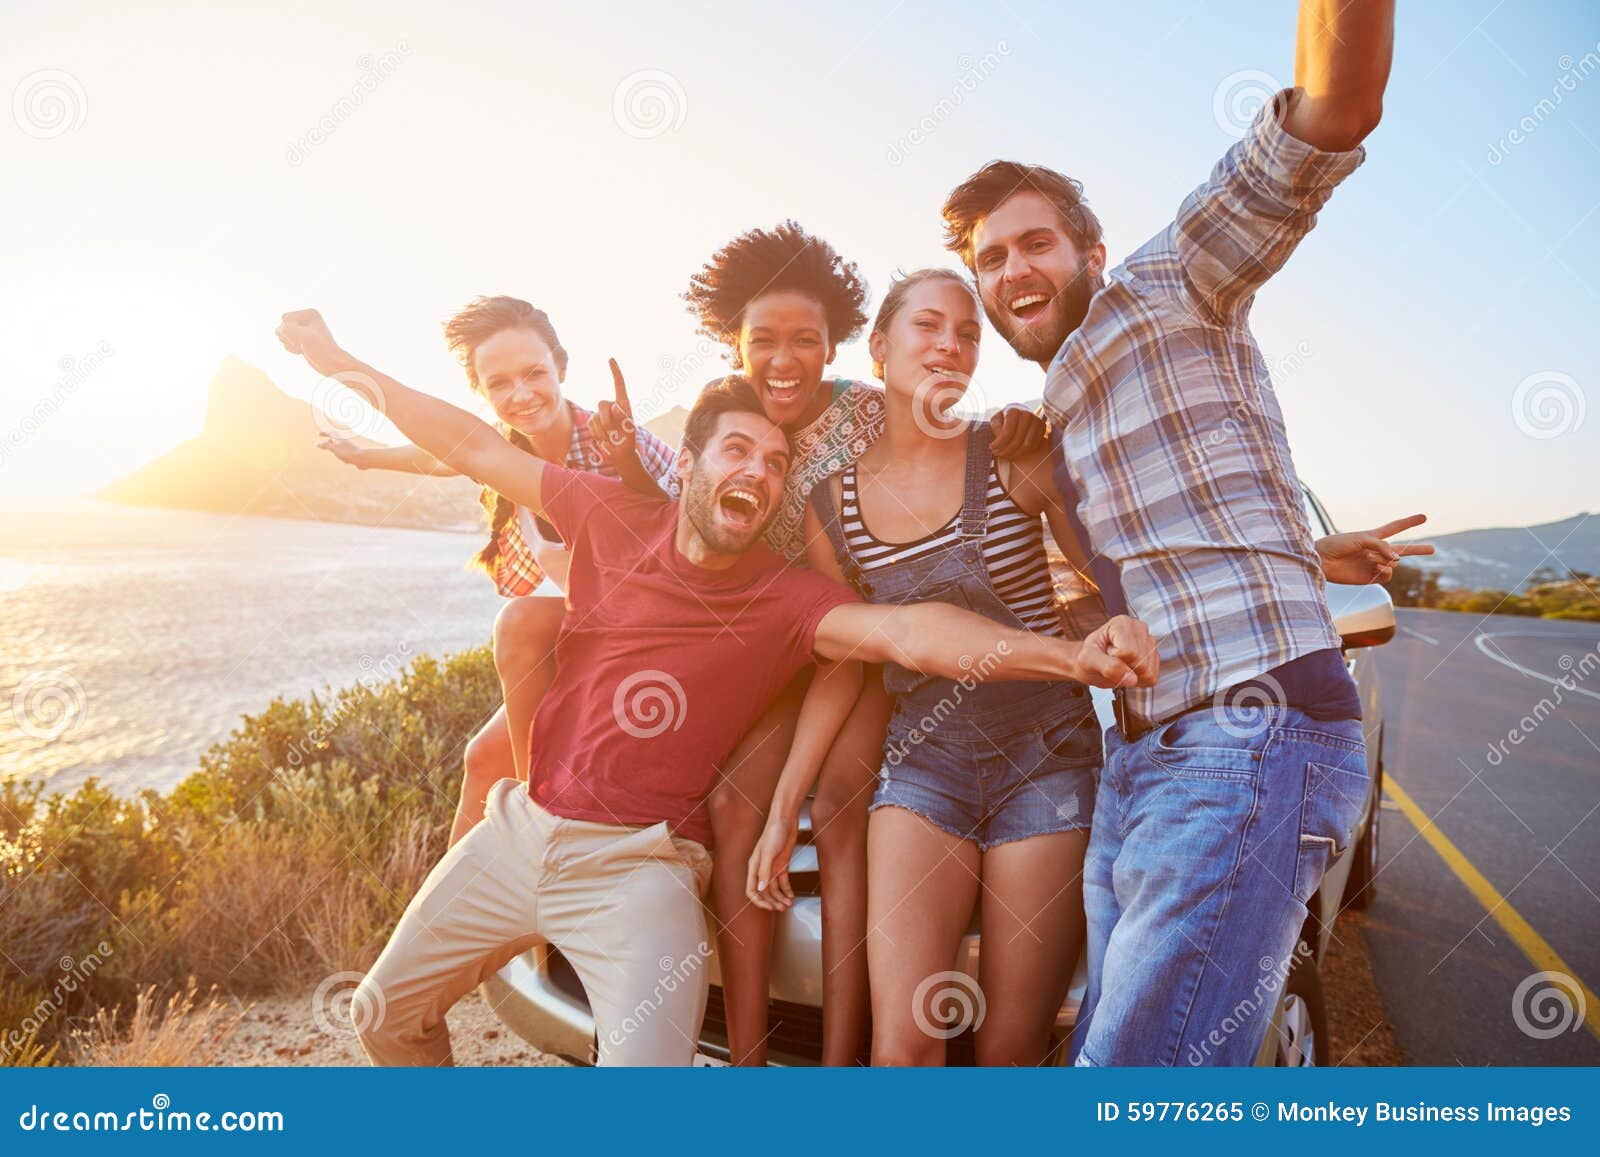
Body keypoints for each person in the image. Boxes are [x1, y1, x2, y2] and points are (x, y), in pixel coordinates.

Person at [276, 306, 1159, 1065]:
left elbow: (910, 631)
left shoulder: (785, 599)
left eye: (776, 466)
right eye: (739, 450)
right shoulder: (606, 512)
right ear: (689, 462)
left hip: (640, 868)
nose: (760, 474)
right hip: (521, 829)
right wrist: (339, 363)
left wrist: (1070, 658)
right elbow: (468, 442)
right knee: (381, 1013)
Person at [939, 0, 1423, 1065]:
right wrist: (1041, 490)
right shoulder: (1048, 421)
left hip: (1247, 737)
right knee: (1127, 1065)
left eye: (1034, 242)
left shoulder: (1168, 288)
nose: (1013, 269)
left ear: (1090, 249)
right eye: (989, 258)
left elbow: (1333, 111)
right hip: (1140, 762)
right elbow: (1119, 597)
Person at [747, 268, 1119, 1066]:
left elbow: (1114, 575)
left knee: (1008, 1046)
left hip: (1049, 757)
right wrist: (783, 809)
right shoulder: (830, 505)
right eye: (927, 325)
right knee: (905, 1045)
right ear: (879, 347)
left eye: (968, 331)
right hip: (926, 766)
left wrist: (1309, 558)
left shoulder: (1015, 455)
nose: (950, 343)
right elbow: (844, 661)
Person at [318, 295, 678, 845]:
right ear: (483, 393)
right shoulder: (507, 449)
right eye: (499, 384)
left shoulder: (615, 440)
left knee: (522, 622)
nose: (521, 394)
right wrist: (365, 457)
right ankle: (451, 918)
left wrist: (628, 458)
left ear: (561, 367)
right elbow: (438, 457)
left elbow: (689, 525)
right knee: (484, 759)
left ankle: (536, 827)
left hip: (661, 634)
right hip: (592, 629)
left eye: (534, 373)